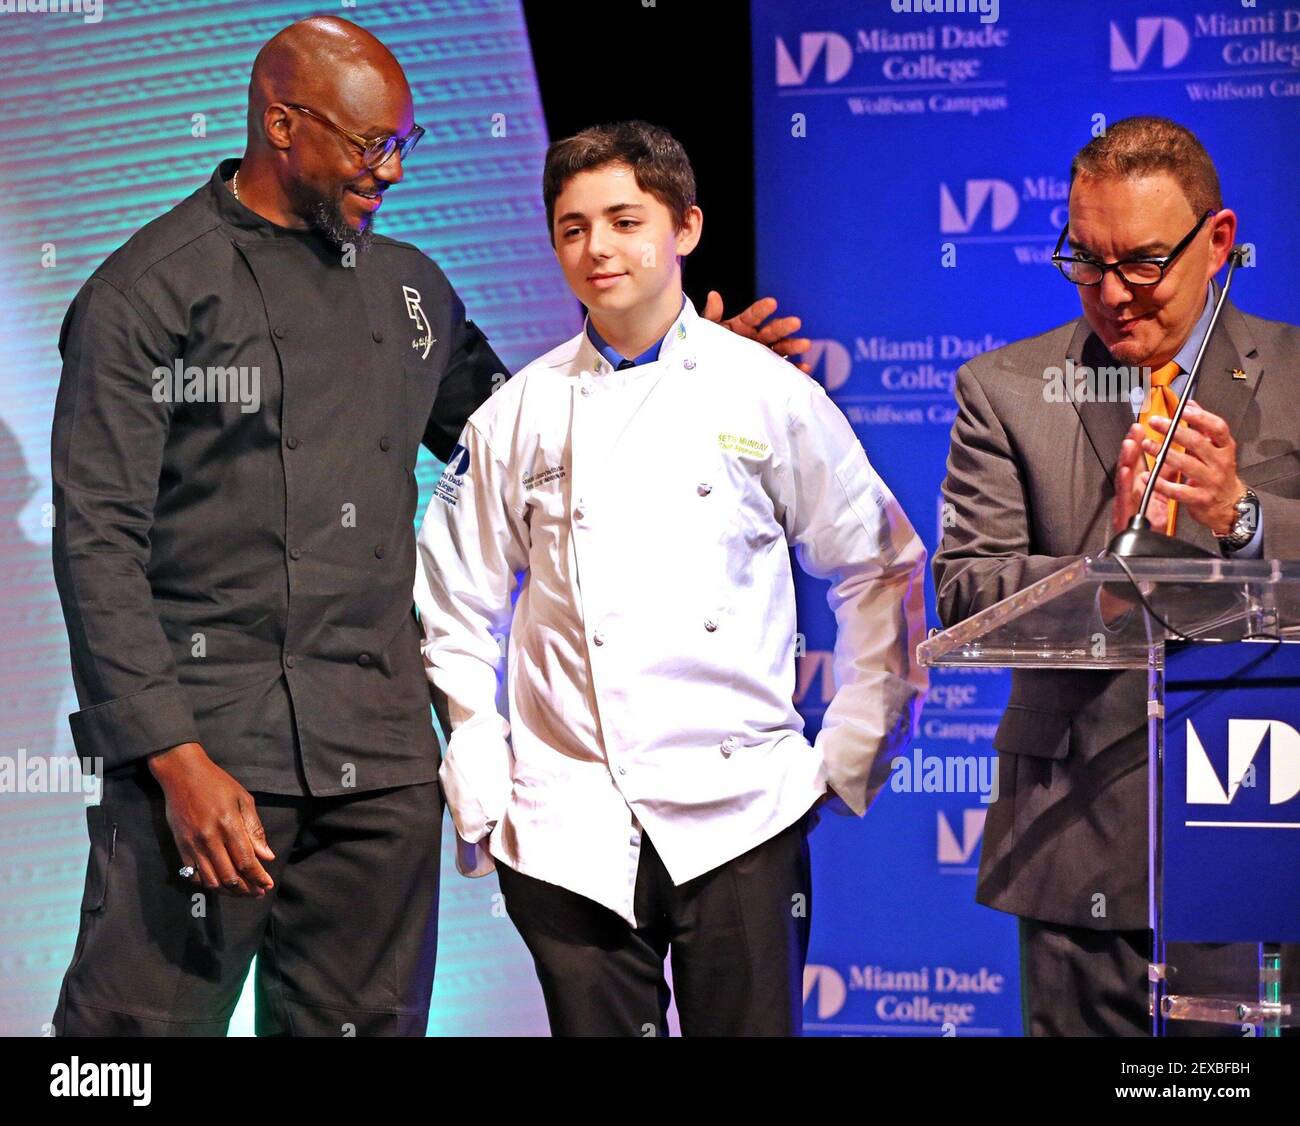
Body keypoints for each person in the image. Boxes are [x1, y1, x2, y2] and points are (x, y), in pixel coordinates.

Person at [49, 18, 805, 1037]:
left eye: (405, 143)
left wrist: (687, 377)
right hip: (211, 762)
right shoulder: (146, 295)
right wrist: (173, 757)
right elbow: (96, 541)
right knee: (124, 1051)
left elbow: (534, 452)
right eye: (370, 146)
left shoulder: (410, 288)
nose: (392, 170)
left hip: (380, 763)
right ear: (281, 124)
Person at [416, 120, 928, 1037]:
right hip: (565, 823)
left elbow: (877, 565)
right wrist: (478, 755)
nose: (597, 248)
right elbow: (454, 602)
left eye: (622, 220)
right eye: (573, 228)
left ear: (684, 228)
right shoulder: (516, 413)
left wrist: (853, 747)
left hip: (741, 815)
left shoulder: (767, 392)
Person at [933, 116, 1300, 1036]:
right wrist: (1109, 566)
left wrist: (1240, 516)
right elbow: (966, 590)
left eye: (1141, 262)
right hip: (1077, 826)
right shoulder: (1006, 389)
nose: (1113, 294)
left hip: (1266, 816)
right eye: (1085, 260)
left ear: (1217, 242)